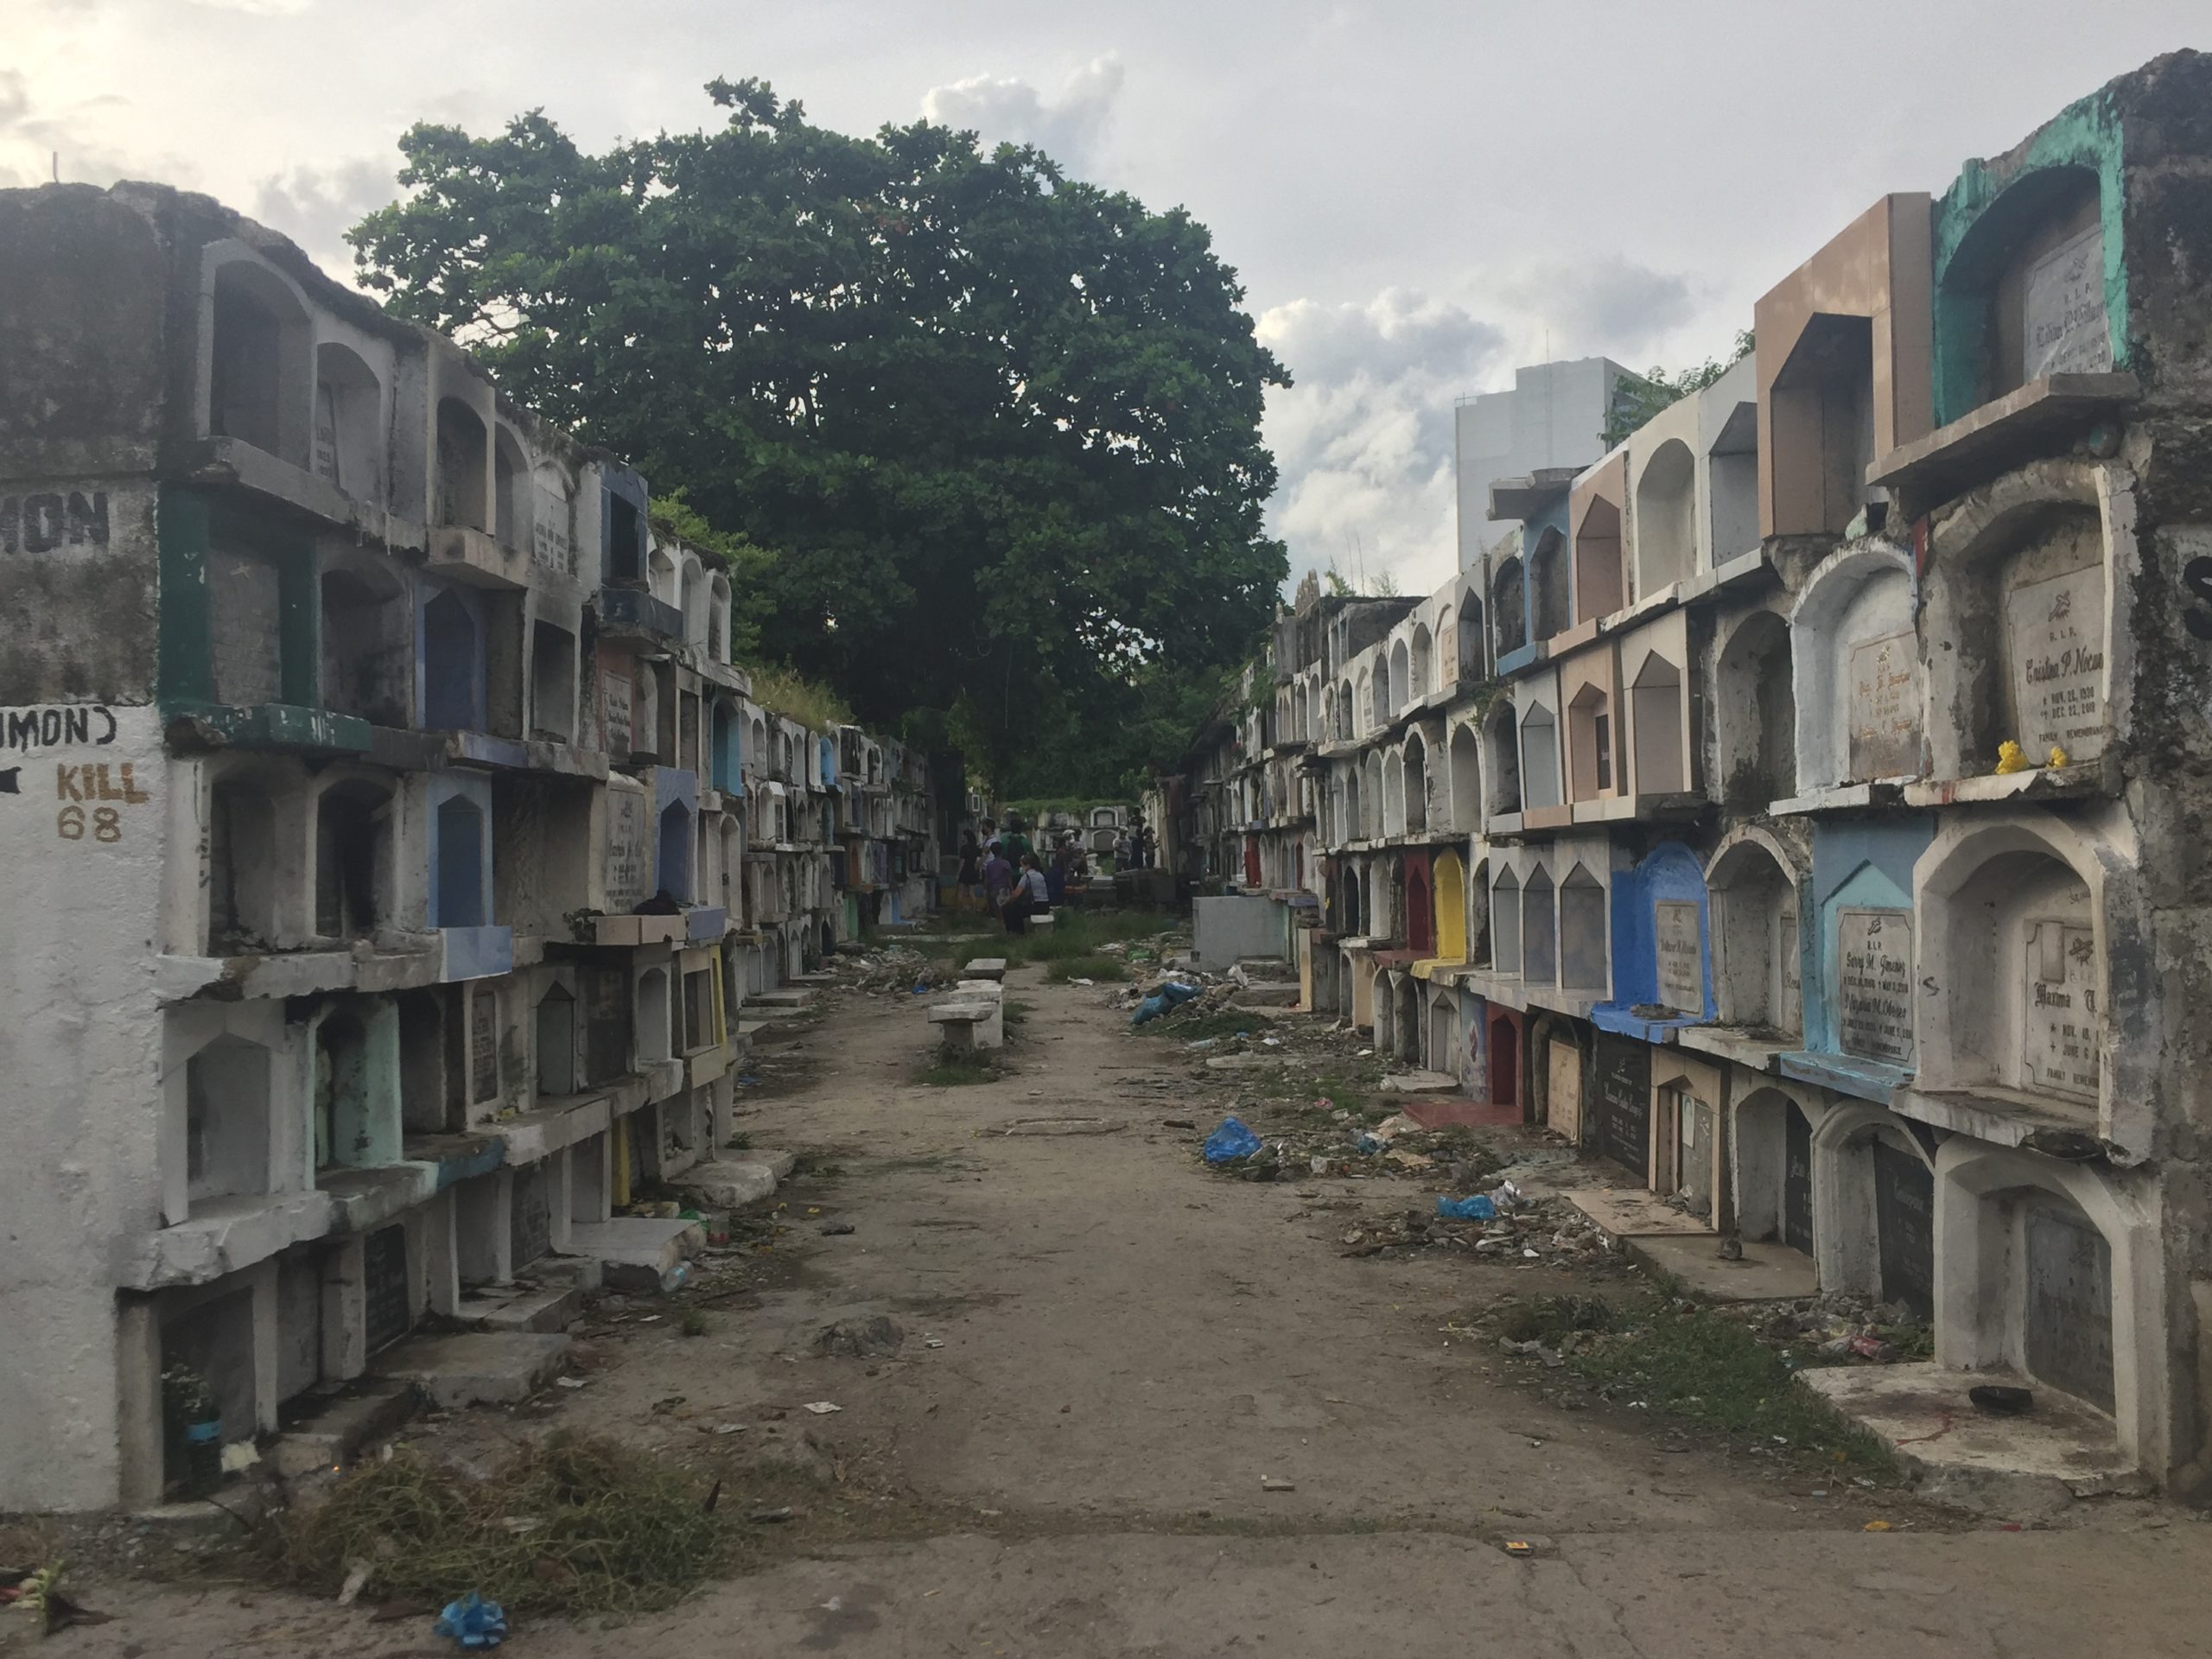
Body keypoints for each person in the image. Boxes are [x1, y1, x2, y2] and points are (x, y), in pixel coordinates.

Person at [1005, 852, 1050, 934]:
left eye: (1022, 865)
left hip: (1035, 906)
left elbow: (1016, 895)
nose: (1021, 868)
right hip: (1045, 905)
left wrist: (1008, 901)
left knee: (1011, 910)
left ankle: (1017, 932)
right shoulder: (1040, 875)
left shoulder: (1027, 876)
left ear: (1028, 865)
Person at [982, 840, 1014, 923]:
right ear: (1002, 851)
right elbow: (1009, 878)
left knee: (996, 911)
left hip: (993, 890)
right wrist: (1012, 890)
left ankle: (999, 925)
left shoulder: (989, 865)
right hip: (1004, 890)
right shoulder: (1006, 864)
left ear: (992, 852)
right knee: (1004, 911)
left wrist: (985, 889)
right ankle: (1004, 925)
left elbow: (987, 878)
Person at [955, 831, 982, 912]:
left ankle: (959, 910)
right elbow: (984, 855)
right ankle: (974, 910)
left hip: (965, 871)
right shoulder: (976, 848)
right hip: (973, 871)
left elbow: (962, 861)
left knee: (960, 892)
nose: (961, 837)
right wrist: (978, 864)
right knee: (972, 892)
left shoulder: (964, 848)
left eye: (963, 835)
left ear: (966, 837)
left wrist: (958, 873)